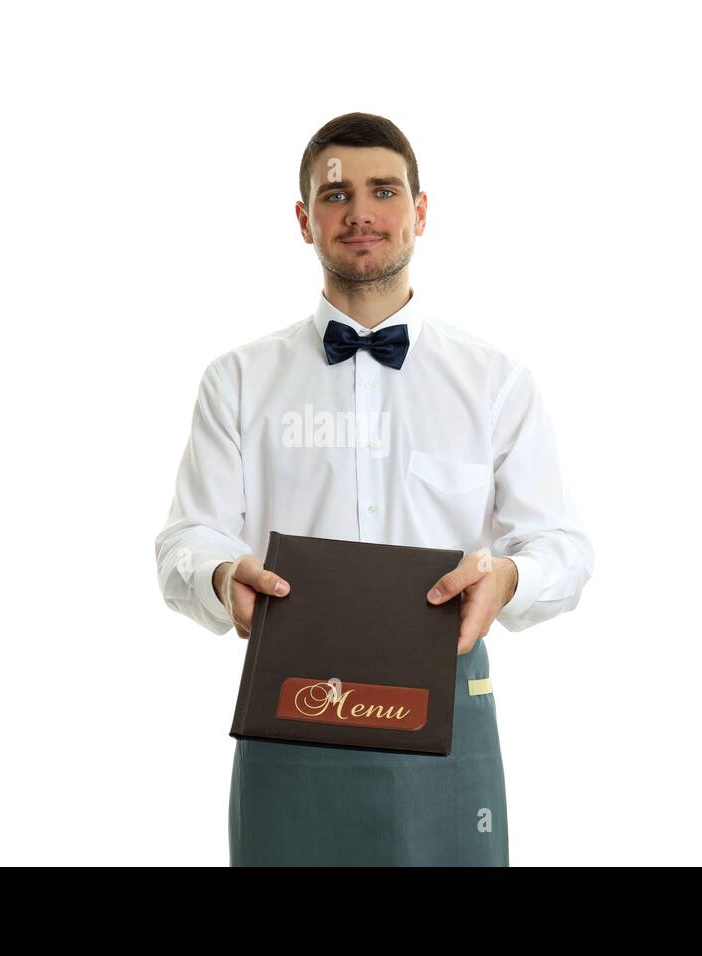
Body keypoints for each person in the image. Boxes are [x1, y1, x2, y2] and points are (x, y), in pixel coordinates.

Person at [153, 112, 594, 866]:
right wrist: (223, 575)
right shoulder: (236, 381)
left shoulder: (494, 381)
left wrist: (509, 578)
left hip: (445, 712)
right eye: (336, 196)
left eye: (384, 190)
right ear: (304, 220)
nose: (360, 212)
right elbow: (186, 542)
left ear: (420, 211)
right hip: (292, 710)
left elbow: (562, 547)